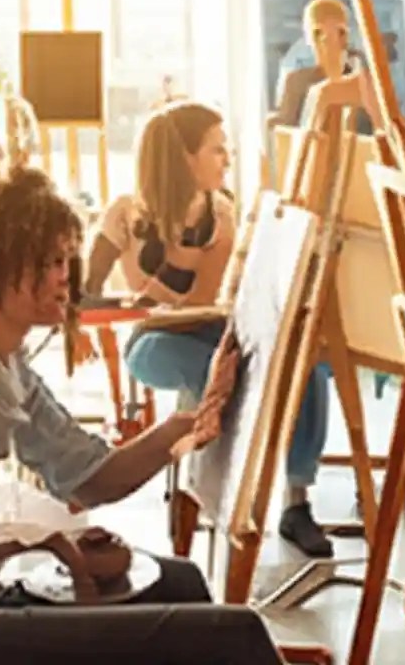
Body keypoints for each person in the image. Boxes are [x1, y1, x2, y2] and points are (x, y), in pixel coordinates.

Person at [0, 168, 284, 663]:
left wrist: (189, 422)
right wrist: (40, 544)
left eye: (67, 258)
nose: (65, 275)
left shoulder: (10, 363)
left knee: (182, 579)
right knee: (236, 633)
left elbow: (91, 480)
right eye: (49, 261)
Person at [82, 102, 334, 558]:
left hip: (207, 328)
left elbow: (204, 300)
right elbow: (88, 290)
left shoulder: (220, 213)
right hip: (153, 341)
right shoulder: (125, 213)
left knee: (306, 364)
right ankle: (221, 486)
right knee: (212, 371)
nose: (228, 160)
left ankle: (296, 501)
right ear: (186, 157)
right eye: (218, 150)